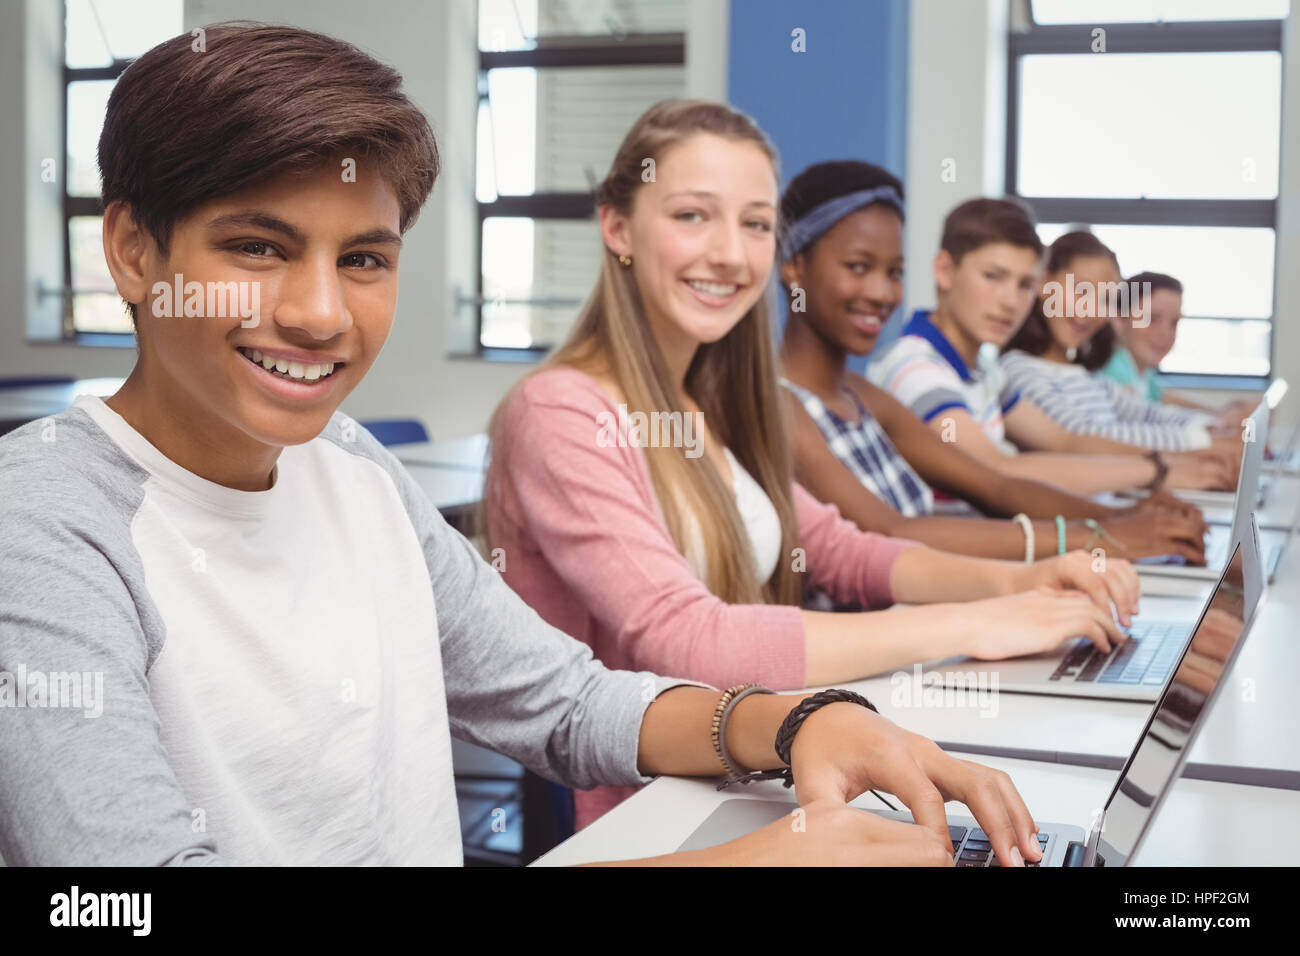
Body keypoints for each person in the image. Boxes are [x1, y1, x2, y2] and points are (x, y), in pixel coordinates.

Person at [0, 24, 1045, 868]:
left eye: (363, 258)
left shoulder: (354, 469)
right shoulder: (44, 522)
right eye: (259, 247)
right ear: (134, 251)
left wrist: (797, 723)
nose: (319, 313)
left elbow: (569, 698)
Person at [485, 100, 1140, 830]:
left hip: (746, 769)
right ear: (618, 228)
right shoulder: (560, 412)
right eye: (693, 216)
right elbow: (686, 639)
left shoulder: (714, 400)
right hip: (637, 816)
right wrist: (978, 623)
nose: (731, 253)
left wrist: (1021, 581)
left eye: (755, 223)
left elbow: (839, 548)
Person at [777, 160, 1207, 562]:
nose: (882, 293)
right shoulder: (803, 401)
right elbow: (891, 532)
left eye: (894, 273)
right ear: (793, 269)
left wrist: (1122, 519)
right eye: (857, 267)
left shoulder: (866, 393)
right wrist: (1103, 533)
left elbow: (997, 486)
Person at [867, 199, 1237, 494]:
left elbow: (1063, 439)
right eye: (993, 277)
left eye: (1024, 284)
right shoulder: (914, 367)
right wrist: (1155, 471)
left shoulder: (985, 371)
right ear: (945, 271)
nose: (1010, 302)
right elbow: (998, 472)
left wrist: (1172, 464)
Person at [1000, 232, 1243, 459]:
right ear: (1043, 282)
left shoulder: (1086, 377)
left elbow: (1147, 413)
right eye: (1081, 291)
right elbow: (1086, 437)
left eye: (1104, 299)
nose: (1092, 310)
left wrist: (1215, 426)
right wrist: (1204, 441)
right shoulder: (1020, 371)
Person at [1102, 271, 1258, 423]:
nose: (1165, 333)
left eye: (1174, 322)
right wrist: (1217, 421)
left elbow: (1165, 398)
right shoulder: (1111, 368)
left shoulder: (1140, 369)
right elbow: (1142, 412)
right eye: (1152, 319)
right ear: (1119, 319)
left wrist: (1220, 413)